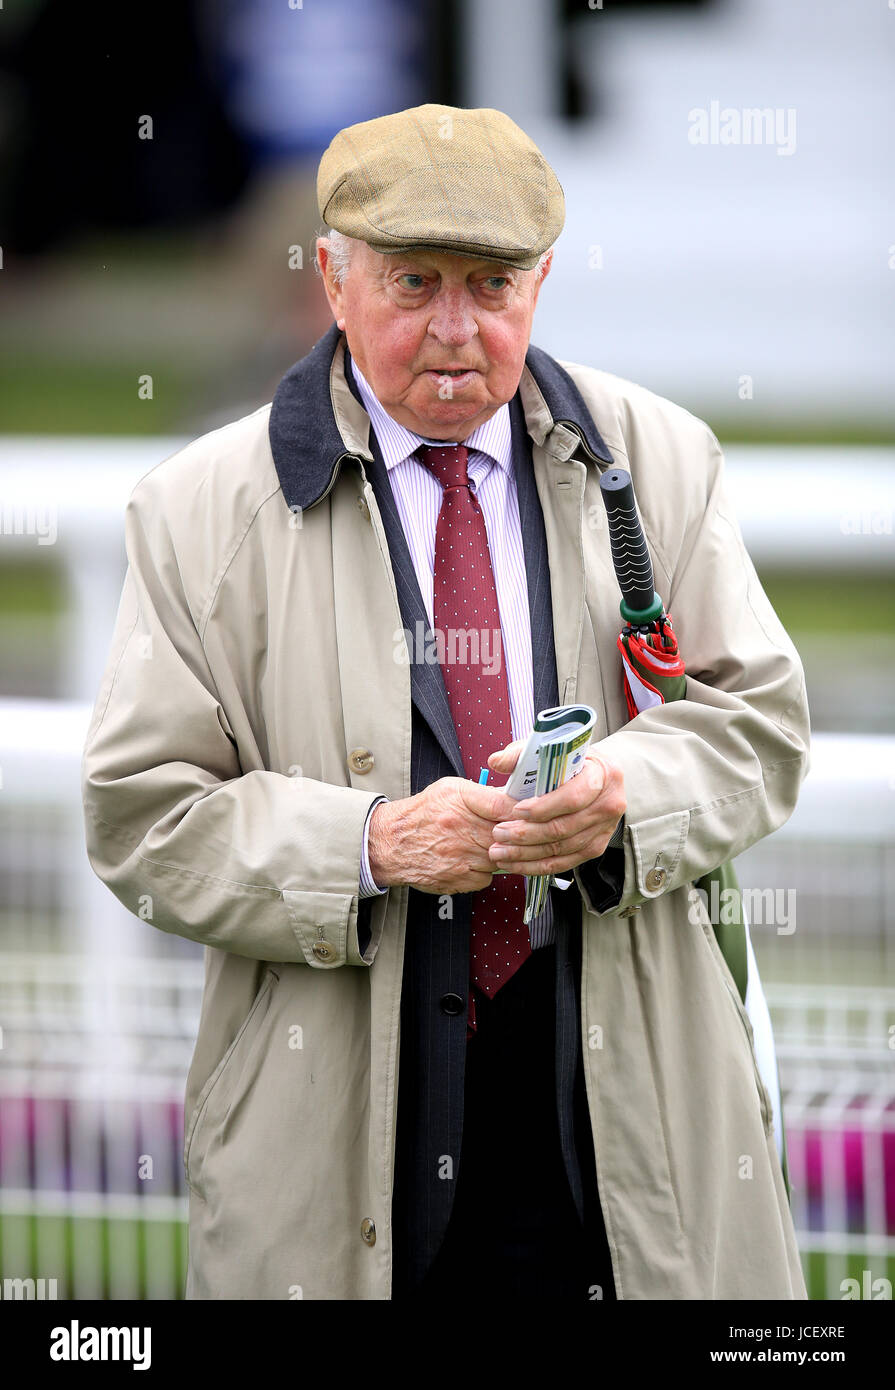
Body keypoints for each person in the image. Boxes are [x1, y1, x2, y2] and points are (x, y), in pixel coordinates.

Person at [81, 103, 810, 1300]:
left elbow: (757, 727)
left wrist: (627, 798)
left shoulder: (664, 458)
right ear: (330, 275)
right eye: (412, 282)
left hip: (627, 1126)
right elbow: (142, 818)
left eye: (494, 283)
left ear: (544, 281)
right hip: (331, 1145)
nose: (457, 330)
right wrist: (366, 845)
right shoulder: (197, 509)